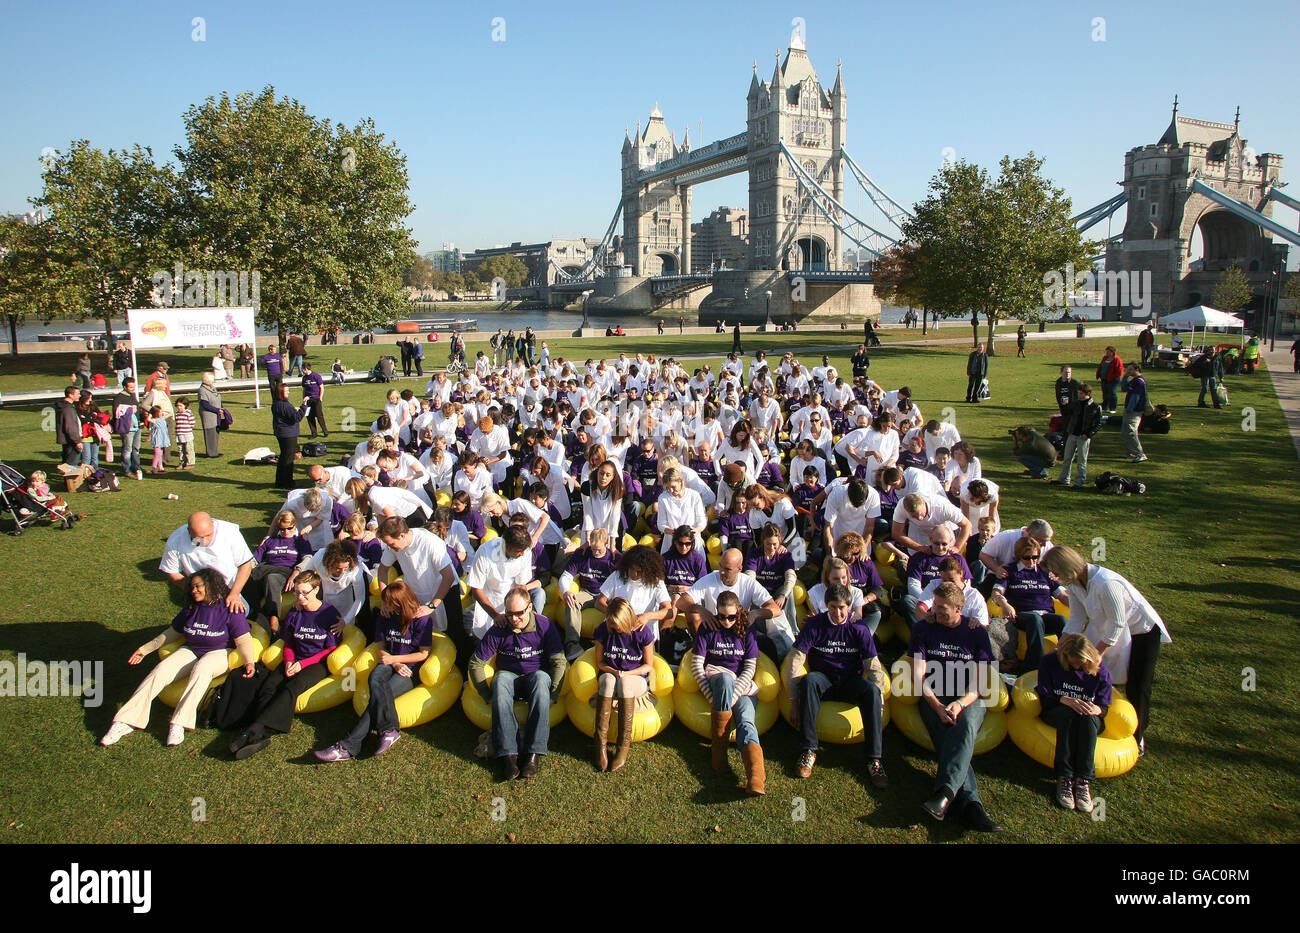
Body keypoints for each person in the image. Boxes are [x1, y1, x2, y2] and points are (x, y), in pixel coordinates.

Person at [100, 568, 259, 748]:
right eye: (192, 587)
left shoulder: (229, 608)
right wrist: (145, 649)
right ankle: (124, 721)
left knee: (203, 668)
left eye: (198, 586)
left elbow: (244, 639)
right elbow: (171, 633)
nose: (194, 590)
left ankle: (179, 723)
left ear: (211, 585)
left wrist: (249, 662)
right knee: (160, 671)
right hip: (191, 649)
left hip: (220, 652)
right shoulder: (192, 608)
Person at [1040, 546, 1170, 757]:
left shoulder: (1106, 584)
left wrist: (1098, 653)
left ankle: (1138, 736)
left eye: (1057, 571)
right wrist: (1060, 646)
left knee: (1139, 684)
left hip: (1141, 631)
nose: (1056, 577)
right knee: (1094, 674)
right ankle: (1097, 719)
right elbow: (1076, 619)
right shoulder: (1074, 584)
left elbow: (1118, 623)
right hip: (1108, 626)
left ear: (1066, 567)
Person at [911, 581, 1001, 832]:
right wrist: (938, 705)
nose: (934, 611)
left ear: (959, 608)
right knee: (949, 734)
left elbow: (980, 683)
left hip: (968, 697)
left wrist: (959, 704)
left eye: (942, 608)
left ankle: (945, 794)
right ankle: (972, 805)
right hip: (934, 695)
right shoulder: (923, 629)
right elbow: (918, 677)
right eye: (934, 605)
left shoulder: (976, 632)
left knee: (963, 726)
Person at [223, 570, 342, 759]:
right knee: (269, 685)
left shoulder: (328, 613)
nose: (300, 597)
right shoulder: (295, 612)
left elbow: (329, 650)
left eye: (305, 592)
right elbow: (288, 643)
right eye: (297, 592)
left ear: (317, 589)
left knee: (292, 687)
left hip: (317, 663)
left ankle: (254, 729)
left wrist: (302, 665)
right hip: (294, 658)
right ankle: (262, 733)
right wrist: (288, 661)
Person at [785, 582, 889, 787]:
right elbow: (795, 660)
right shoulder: (815, 625)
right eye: (832, 607)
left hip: (851, 680)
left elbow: (874, 666)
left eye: (841, 608)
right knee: (809, 681)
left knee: (871, 691)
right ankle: (808, 750)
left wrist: (880, 700)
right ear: (826, 606)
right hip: (824, 677)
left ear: (848, 607)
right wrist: (793, 700)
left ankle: (874, 760)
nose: (837, 613)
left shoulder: (859, 629)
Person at [316, 581, 432, 761]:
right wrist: (392, 662)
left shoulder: (421, 619)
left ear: (399, 603)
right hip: (390, 662)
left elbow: (423, 654)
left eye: (388, 603)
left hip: (410, 669)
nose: (384, 606)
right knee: (375, 677)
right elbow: (380, 644)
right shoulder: (385, 616)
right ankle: (389, 730)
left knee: (376, 701)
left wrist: (396, 660)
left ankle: (347, 746)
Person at [469, 586, 567, 780]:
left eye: (519, 613)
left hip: (534, 675)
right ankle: (508, 756)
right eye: (509, 613)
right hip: (509, 675)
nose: (514, 619)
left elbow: (559, 661)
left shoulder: (544, 626)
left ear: (530, 607)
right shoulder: (499, 628)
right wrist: (485, 694)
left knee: (541, 679)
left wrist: (554, 694)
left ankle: (533, 754)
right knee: (500, 680)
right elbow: (476, 663)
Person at [691, 590, 766, 794]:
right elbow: (697, 666)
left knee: (746, 720)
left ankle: (756, 776)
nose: (726, 621)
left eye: (731, 617)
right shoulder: (708, 628)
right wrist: (711, 696)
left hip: (742, 686)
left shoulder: (747, 630)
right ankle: (719, 755)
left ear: (738, 611)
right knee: (724, 679)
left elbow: (750, 668)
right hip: (718, 681)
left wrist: (733, 698)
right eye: (722, 616)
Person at [1036, 633, 1112, 813]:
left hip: (1086, 715)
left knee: (1088, 718)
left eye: (1081, 663)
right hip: (1058, 709)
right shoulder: (1050, 662)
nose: (1077, 666)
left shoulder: (1100, 671)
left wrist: (1098, 710)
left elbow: (1104, 705)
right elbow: (1044, 696)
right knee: (1068, 715)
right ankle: (1064, 776)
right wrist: (1062, 698)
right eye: (1073, 662)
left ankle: (1083, 781)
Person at [591, 596, 656, 773]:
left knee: (625, 684)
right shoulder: (603, 630)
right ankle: (600, 746)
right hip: (611, 672)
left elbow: (648, 665)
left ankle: (622, 748)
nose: (615, 628)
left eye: (617, 624)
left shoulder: (643, 632)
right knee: (608, 682)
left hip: (635, 676)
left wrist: (627, 673)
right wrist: (613, 672)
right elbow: (600, 662)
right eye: (612, 624)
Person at [990, 536, 1066, 670]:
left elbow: (1061, 594)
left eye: (1035, 557)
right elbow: (996, 592)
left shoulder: (1045, 572)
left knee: (1061, 621)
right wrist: (1004, 604)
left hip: (1045, 614)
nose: (1032, 561)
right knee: (1035, 620)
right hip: (1023, 616)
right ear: (1019, 556)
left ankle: (1067, 660)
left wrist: (1079, 606)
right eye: (1027, 558)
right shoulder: (1010, 571)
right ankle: (1034, 666)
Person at [1053, 382, 1102, 488]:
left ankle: (1079, 482)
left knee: (1081, 461)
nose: (1079, 395)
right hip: (1072, 434)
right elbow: (1066, 413)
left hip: (1083, 437)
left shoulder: (1095, 407)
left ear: (1088, 393)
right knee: (1067, 458)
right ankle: (1064, 479)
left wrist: (1088, 434)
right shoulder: (1075, 403)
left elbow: (1098, 424)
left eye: (1081, 393)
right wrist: (1064, 405)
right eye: (1078, 393)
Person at [271, 384, 310, 489]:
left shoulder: (276, 404)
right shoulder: (285, 405)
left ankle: (280, 481)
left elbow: (287, 415)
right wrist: (304, 405)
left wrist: (293, 410)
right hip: (288, 434)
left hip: (281, 433)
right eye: (286, 391)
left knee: (283, 457)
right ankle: (288, 482)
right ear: (281, 392)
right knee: (288, 459)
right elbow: (297, 418)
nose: (288, 392)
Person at [112, 378, 144, 480]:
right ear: (124, 387)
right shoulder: (119, 398)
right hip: (128, 428)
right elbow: (117, 414)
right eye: (130, 387)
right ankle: (127, 469)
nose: (132, 389)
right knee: (127, 449)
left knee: (136, 448)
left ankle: (137, 468)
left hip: (137, 426)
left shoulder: (132, 395)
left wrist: (141, 420)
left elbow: (138, 409)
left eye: (134, 387)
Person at [1120, 362, 1149, 463]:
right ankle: (1130, 451)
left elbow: (1135, 397)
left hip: (1134, 411)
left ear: (1137, 370)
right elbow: (1124, 388)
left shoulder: (1139, 382)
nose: (1128, 371)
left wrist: (1129, 409)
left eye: (1130, 370)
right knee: (1125, 431)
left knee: (1131, 432)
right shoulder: (1134, 380)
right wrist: (1125, 378)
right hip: (1129, 409)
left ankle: (1140, 454)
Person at [55, 386, 83, 466]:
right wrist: (77, 441)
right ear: (70, 395)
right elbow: (70, 427)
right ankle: (70, 478)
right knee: (71, 465)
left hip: (67, 440)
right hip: (71, 440)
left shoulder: (65, 406)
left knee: (67, 463)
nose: (79, 395)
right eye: (77, 394)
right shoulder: (68, 408)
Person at [197, 372, 223, 457]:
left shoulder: (212, 388)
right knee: (210, 433)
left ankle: (215, 451)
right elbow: (205, 404)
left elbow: (217, 397)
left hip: (216, 414)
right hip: (208, 414)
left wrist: (221, 407)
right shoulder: (202, 390)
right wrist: (216, 410)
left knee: (215, 432)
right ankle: (211, 453)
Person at [301, 362, 327, 437]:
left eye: (303, 369)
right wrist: (304, 399)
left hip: (316, 399)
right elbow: (304, 389)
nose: (302, 371)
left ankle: (325, 431)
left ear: (305, 369)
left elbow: (321, 387)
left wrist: (320, 397)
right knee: (309, 416)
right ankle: (314, 433)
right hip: (308, 400)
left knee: (319, 416)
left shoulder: (316, 376)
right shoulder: (304, 378)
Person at [1095, 347, 1123, 414]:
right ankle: (1105, 407)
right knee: (1105, 393)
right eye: (1106, 351)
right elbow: (1101, 366)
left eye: (1108, 352)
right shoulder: (1105, 358)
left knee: (1112, 393)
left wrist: (1113, 377)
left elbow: (1119, 371)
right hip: (1104, 379)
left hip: (1113, 380)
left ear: (1112, 352)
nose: (1107, 353)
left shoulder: (1117, 360)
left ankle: (1113, 408)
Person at [173, 397, 196, 469]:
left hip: (187, 434)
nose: (179, 407)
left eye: (180, 406)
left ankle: (190, 463)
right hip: (179, 434)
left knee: (188, 449)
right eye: (177, 406)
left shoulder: (188, 414)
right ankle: (182, 462)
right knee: (181, 449)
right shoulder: (177, 414)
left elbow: (192, 423)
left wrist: (187, 428)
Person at [147, 404, 170, 474]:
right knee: (158, 453)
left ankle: (160, 467)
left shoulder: (162, 418)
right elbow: (148, 419)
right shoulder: (154, 420)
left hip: (162, 438)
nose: (161, 413)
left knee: (160, 453)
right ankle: (154, 467)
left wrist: (163, 410)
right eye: (160, 412)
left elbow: (170, 413)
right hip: (157, 439)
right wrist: (150, 414)